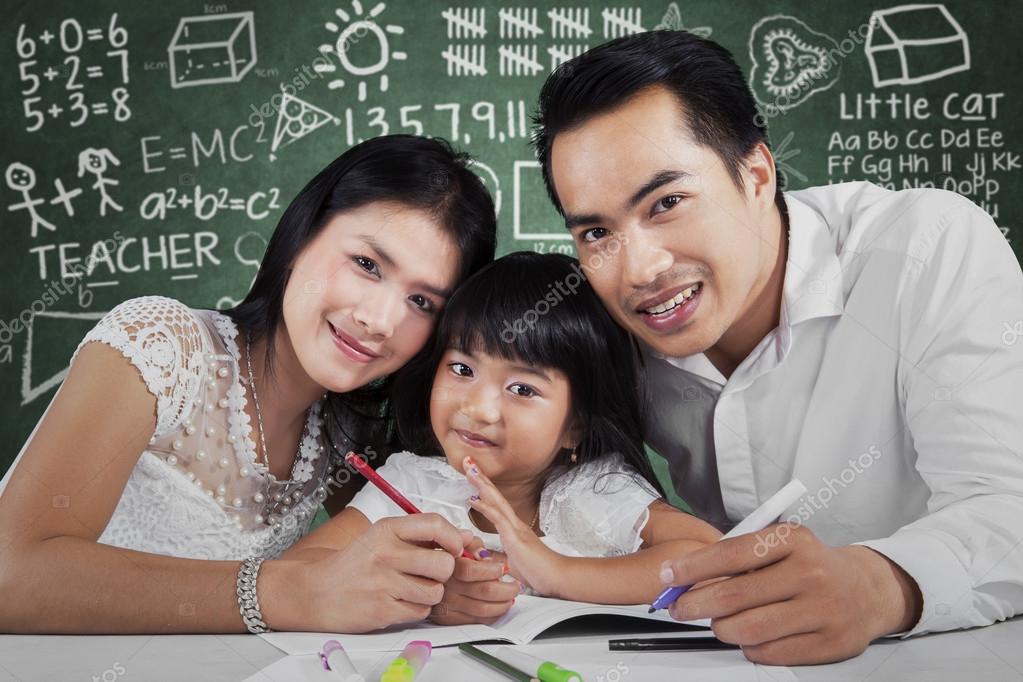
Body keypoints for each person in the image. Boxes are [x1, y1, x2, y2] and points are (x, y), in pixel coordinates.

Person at [531, 31, 1023, 664]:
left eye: (667, 203)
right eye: (597, 232)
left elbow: (1010, 506)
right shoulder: (602, 336)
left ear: (756, 174)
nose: (638, 271)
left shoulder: (925, 247)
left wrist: (880, 585)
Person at [0, 135, 497, 634]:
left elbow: (365, 571)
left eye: (422, 303)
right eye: (367, 265)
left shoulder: (345, 428)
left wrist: (429, 589)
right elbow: (12, 575)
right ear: (300, 238)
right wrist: (285, 592)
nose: (380, 321)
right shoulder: (159, 348)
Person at [285, 252, 721, 623]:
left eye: (522, 389)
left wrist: (554, 572)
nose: (477, 409)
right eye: (462, 369)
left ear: (577, 425)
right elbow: (296, 571)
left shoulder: (592, 489)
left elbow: (708, 555)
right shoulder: (416, 485)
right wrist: (428, 598)